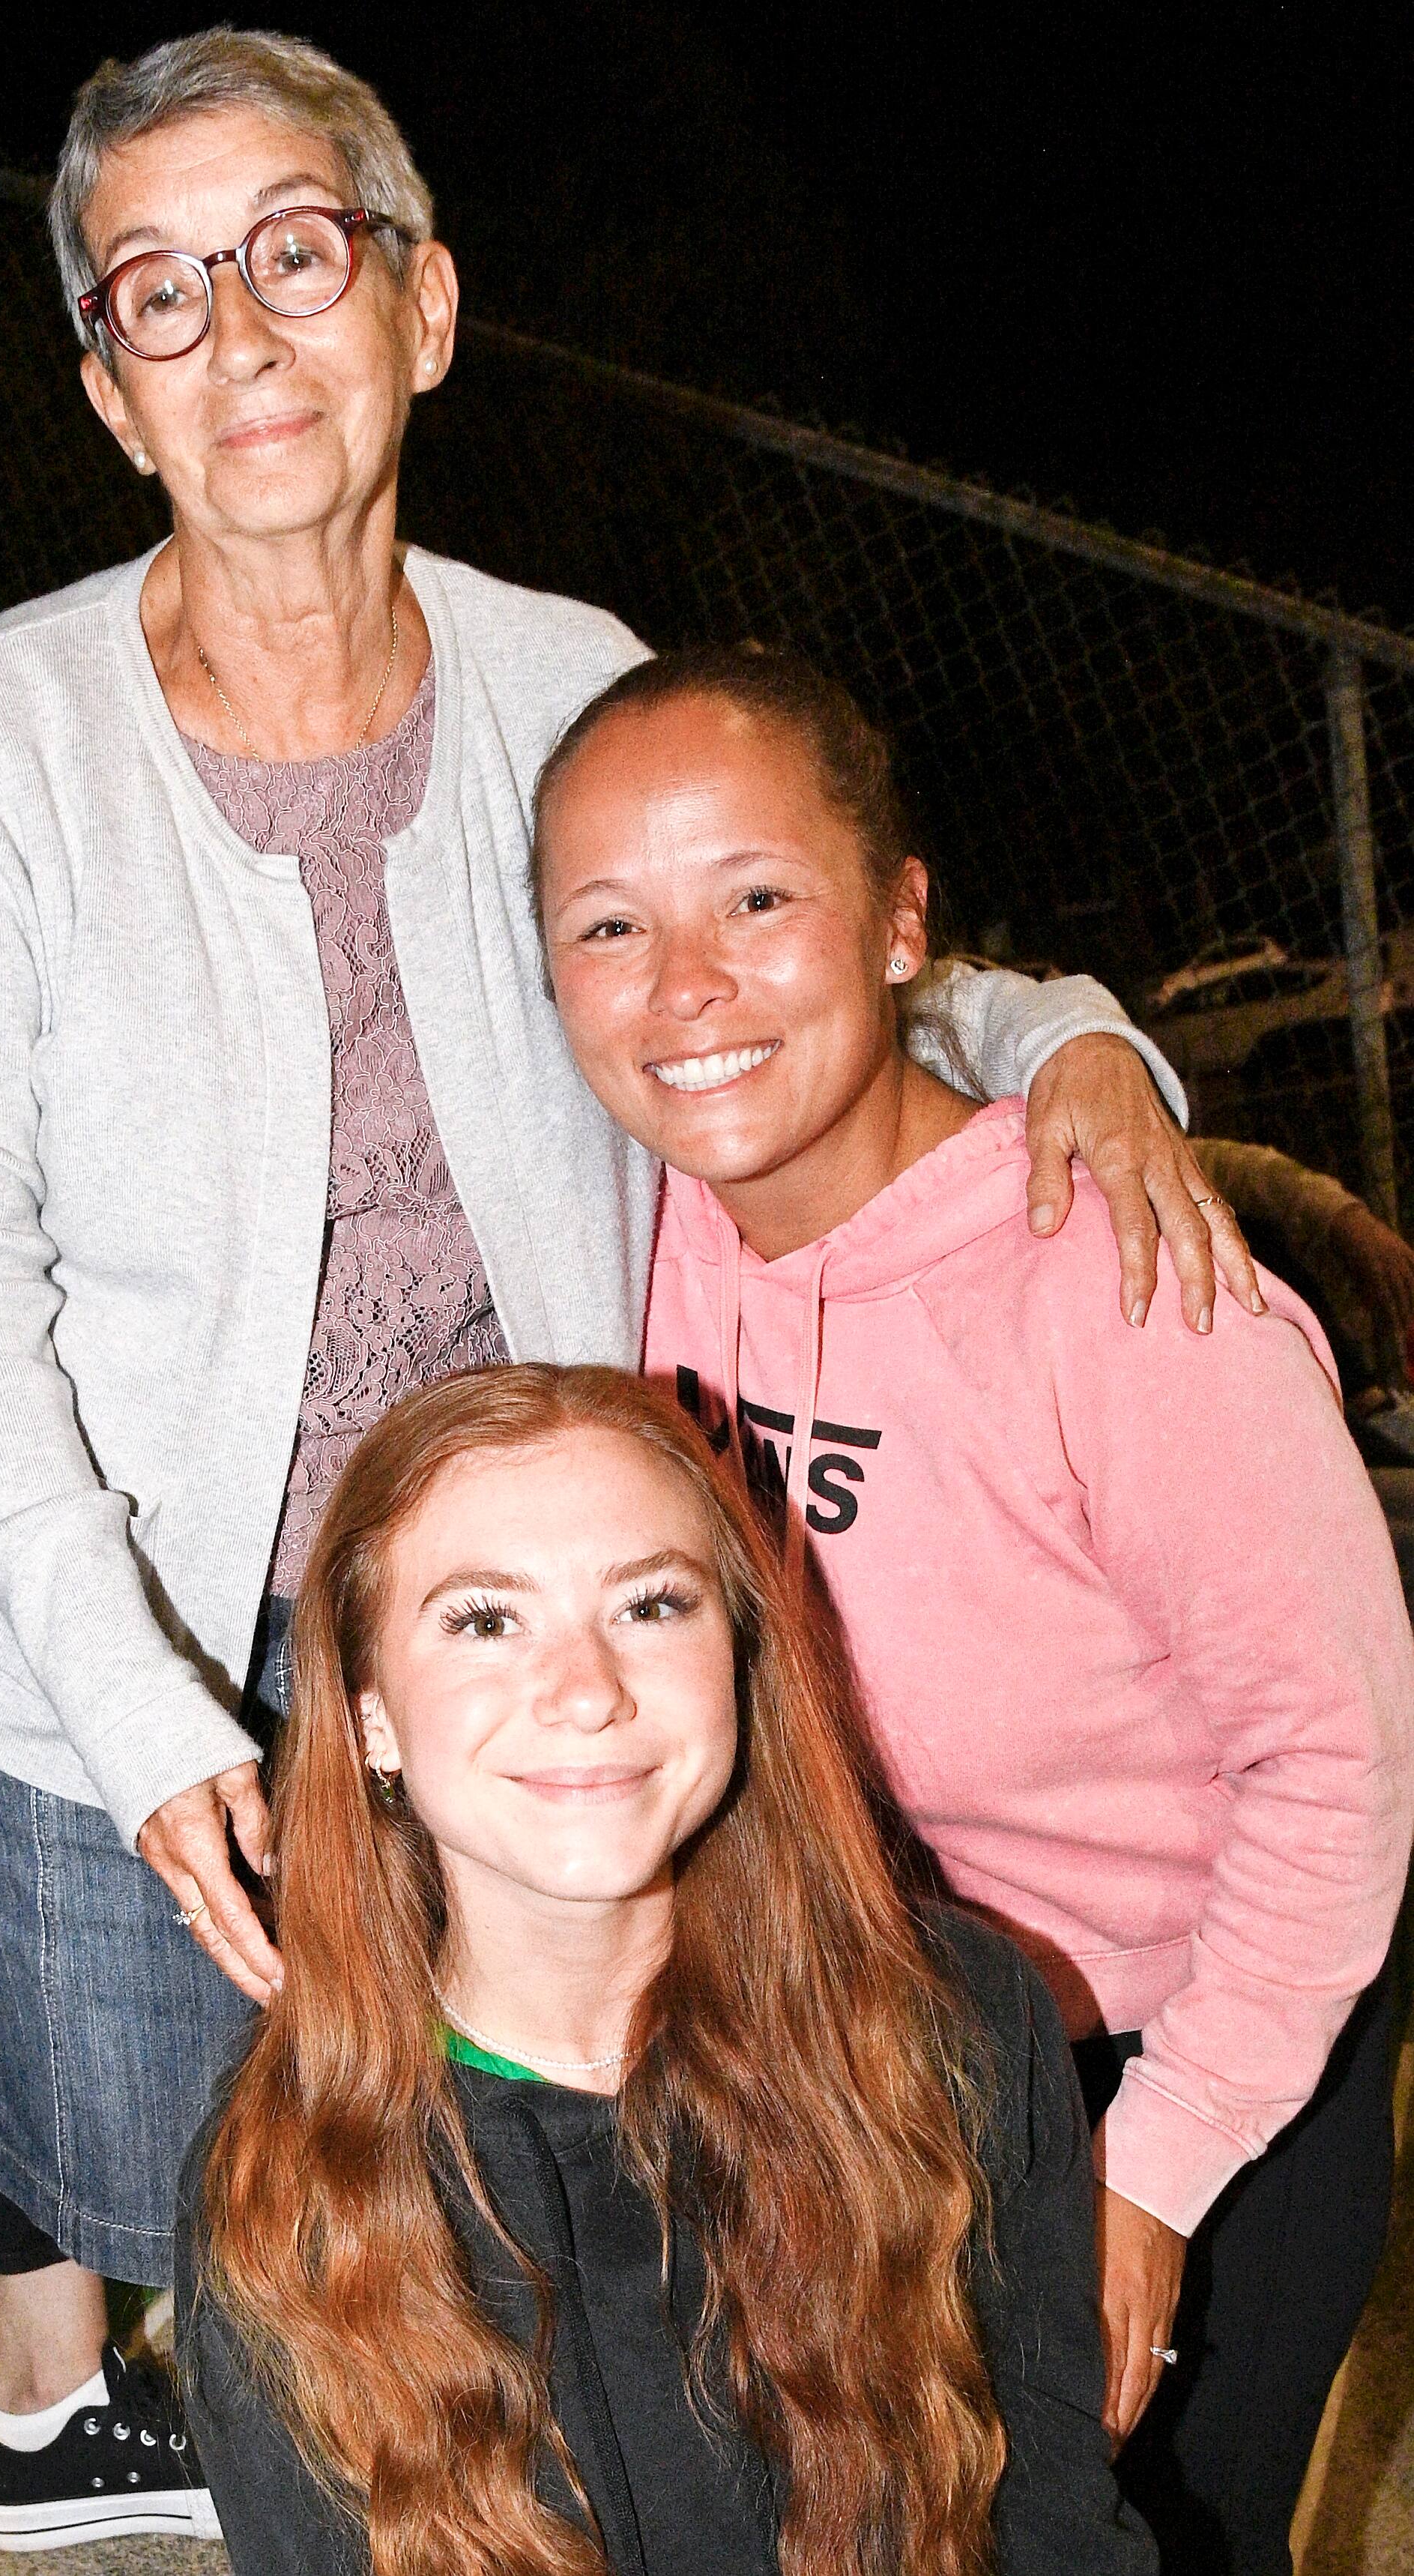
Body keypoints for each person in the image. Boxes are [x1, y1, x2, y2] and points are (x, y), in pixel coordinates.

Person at [0, 29, 1253, 2547]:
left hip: (514, 1620)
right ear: (105, 389)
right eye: (157, 290)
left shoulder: (557, 674)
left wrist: (1068, 1039)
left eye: (295, 253)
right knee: (240, 2241)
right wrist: (140, 1712)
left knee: (562, 2204)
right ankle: (91, 2431)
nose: (239, 332)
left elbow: (773, 962)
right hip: (123, 1631)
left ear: (422, 307)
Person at [529, 645, 1414, 2575]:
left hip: (1202, 2038)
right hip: (892, 2021)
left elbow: (1337, 1765)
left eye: (757, 898)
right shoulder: (631, 1230)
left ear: (900, 919)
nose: (684, 987)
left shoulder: (1115, 1278)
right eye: (610, 926)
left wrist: (1153, 2171)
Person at [178, 1362, 1154, 2575]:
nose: (586, 1691)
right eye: (484, 1620)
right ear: (373, 1716)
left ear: (737, 1658)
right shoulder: (283, 2183)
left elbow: (1054, 2513)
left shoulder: (957, 2018)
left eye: (650, 1605)